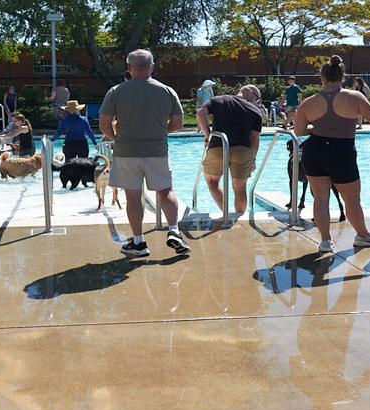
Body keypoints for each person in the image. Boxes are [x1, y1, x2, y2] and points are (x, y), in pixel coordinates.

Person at [294, 55, 370, 253]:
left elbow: (299, 132)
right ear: (343, 77)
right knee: (351, 200)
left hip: (315, 151)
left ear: (322, 78)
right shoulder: (354, 97)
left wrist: (320, 128)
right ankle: (363, 236)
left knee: (320, 198)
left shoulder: (308, 103)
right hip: (341, 152)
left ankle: (326, 241)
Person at [98, 49, 191, 257]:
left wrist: (116, 138)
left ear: (129, 68)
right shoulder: (167, 91)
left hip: (126, 151)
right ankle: (174, 231)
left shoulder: (116, 91)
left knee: (133, 196)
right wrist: (160, 133)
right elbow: (178, 124)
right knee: (165, 191)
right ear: (152, 67)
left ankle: (139, 242)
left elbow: (104, 124)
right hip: (156, 151)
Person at [196, 84, 263, 214]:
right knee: (240, 188)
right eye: (257, 98)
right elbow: (254, 139)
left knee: (212, 182)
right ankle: (238, 217)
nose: (257, 102)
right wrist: (253, 159)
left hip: (218, 146)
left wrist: (207, 135)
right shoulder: (255, 111)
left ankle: (225, 212)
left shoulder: (219, 100)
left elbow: (200, 113)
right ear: (249, 92)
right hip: (242, 150)